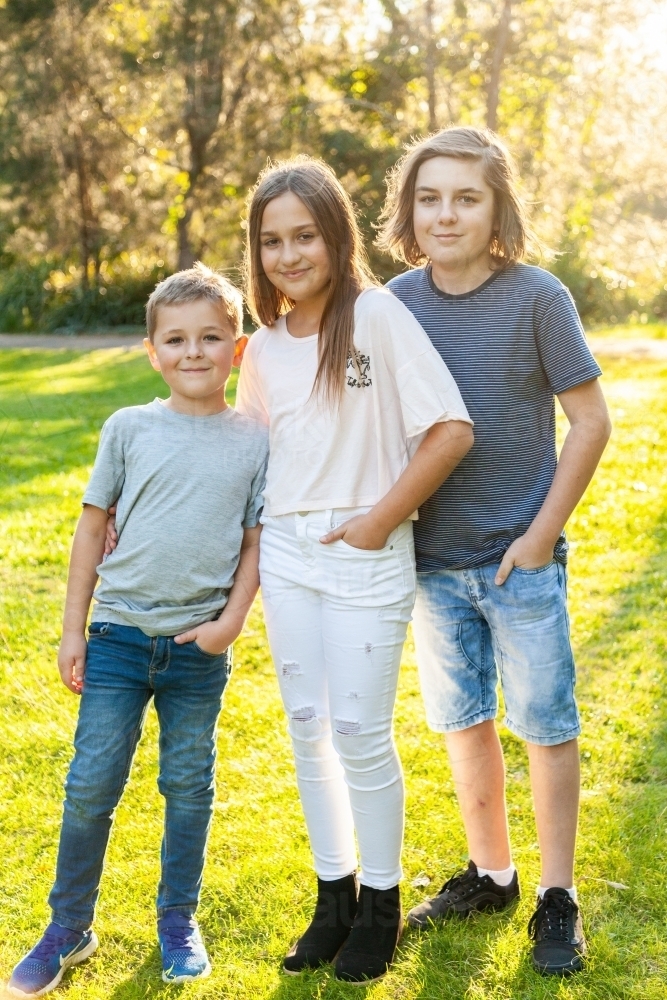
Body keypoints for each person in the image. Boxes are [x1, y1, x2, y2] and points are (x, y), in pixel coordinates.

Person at [378, 126, 611, 976]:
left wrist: (540, 535)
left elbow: (590, 421)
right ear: (408, 210)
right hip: (432, 562)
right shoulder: (394, 302)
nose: (446, 214)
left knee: (545, 724)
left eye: (465, 197)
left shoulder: (537, 297)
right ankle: (491, 874)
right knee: (462, 720)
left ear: (495, 207)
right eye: (428, 198)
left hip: (521, 560)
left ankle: (557, 896)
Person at [235, 156, 473, 983]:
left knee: (359, 733)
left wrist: (375, 522)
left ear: (335, 236)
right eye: (272, 241)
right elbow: (248, 458)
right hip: (290, 556)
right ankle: (332, 898)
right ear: (256, 253)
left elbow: (449, 428)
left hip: (364, 552)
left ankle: (380, 904)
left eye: (304, 235)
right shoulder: (262, 349)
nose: (289, 255)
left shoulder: (374, 315)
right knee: (308, 727)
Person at [8, 264, 268, 997]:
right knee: (91, 784)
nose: (194, 352)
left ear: (236, 349)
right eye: (176, 339)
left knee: (188, 785)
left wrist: (229, 622)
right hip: (119, 639)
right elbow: (92, 530)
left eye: (210, 337)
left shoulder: (253, 441)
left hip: (196, 648)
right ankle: (69, 928)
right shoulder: (128, 428)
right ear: (151, 351)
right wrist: (72, 632)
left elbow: (256, 541)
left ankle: (177, 919)